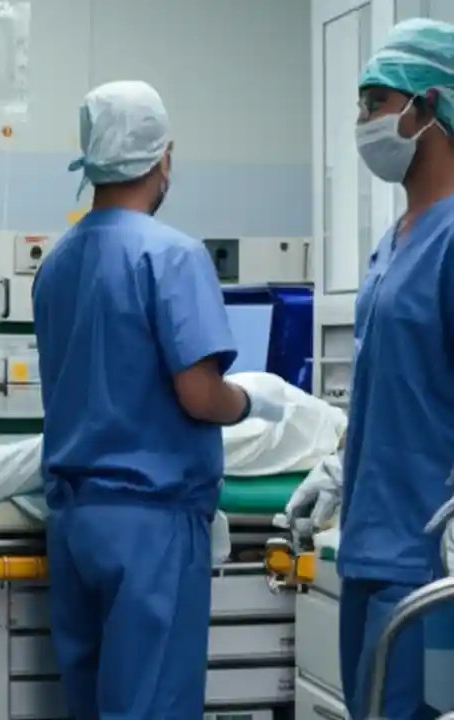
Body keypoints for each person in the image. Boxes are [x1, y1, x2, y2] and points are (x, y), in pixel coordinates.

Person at [31, 80, 286, 720]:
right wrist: (251, 403)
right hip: (151, 526)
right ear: (162, 157)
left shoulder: (56, 265)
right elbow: (200, 395)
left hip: (74, 523)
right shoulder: (172, 256)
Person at [283, 18, 454, 719]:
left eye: (376, 101)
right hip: (369, 550)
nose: (362, 121)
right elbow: (394, 389)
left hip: (430, 566)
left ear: (429, 105)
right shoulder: (392, 244)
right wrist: (340, 466)